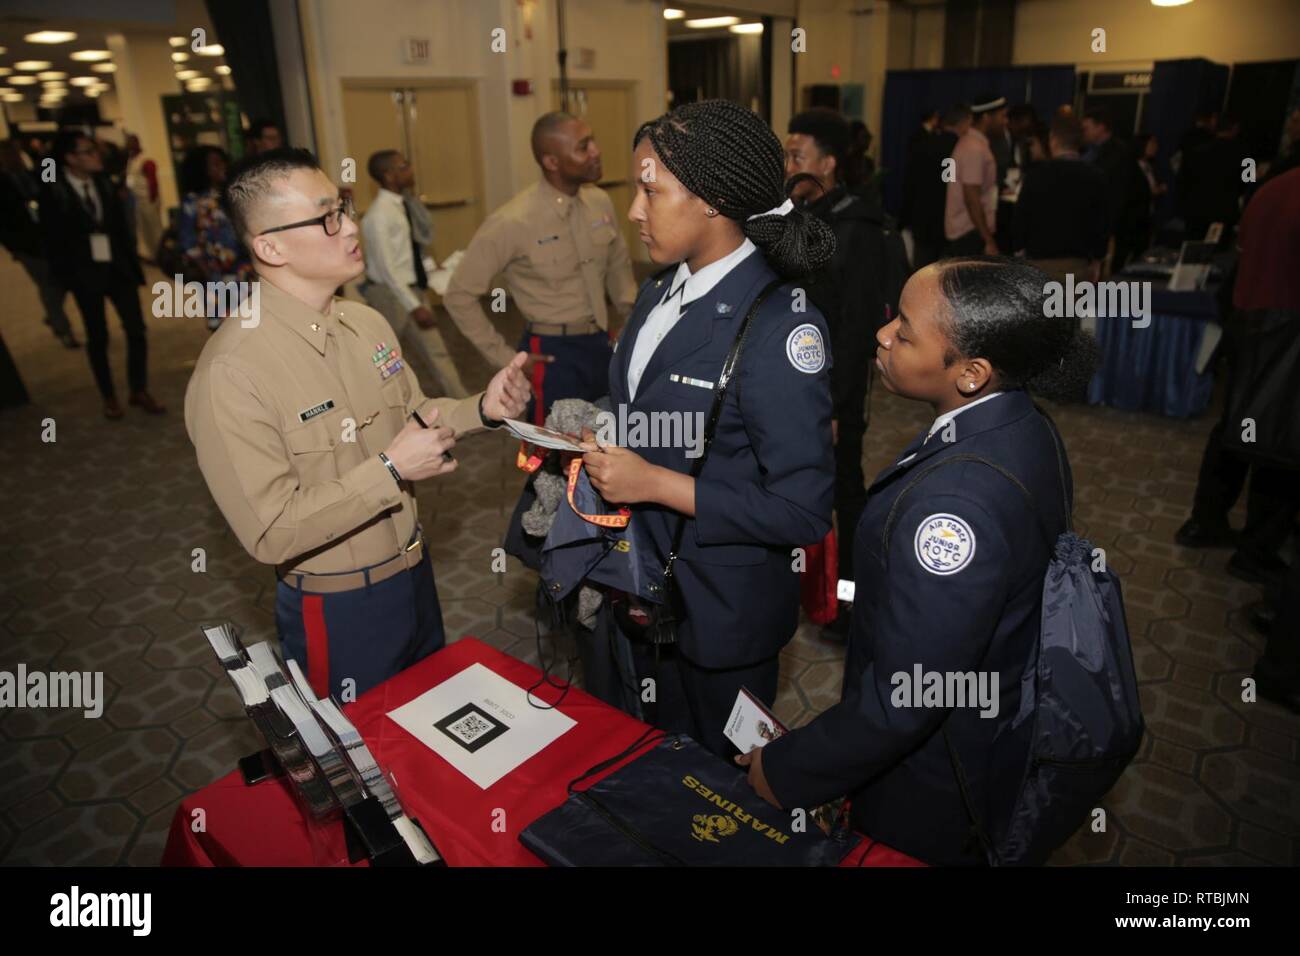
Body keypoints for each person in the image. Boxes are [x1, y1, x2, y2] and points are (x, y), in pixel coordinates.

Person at [738, 256, 1096, 866]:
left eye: (904, 332)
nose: (882, 335)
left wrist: (788, 769)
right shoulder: (1022, 420)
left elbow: (909, 697)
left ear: (972, 372)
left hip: (933, 774)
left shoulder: (955, 509)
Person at [185, 148, 532, 700]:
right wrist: (391, 470)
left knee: (428, 733)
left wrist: (483, 408)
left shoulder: (362, 321)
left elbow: (414, 412)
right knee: (362, 765)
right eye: (327, 217)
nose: (350, 226)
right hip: (339, 606)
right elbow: (270, 530)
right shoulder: (233, 371)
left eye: (343, 207)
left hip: (414, 576)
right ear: (270, 247)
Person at [575, 99, 836, 757]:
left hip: (720, 612)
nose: (634, 211)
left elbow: (803, 513)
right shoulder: (660, 289)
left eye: (650, 190)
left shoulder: (779, 327)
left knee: (719, 789)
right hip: (637, 582)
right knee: (631, 753)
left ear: (715, 200)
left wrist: (654, 483)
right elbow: (642, 407)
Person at [444, 112, 637, 423]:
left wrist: (633, 326)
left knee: (609, 437)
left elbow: (618, 267)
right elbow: (458, 295)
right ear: (551, 162)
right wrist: (507, 359)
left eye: (593, 141)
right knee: (553, 453)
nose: (596, 151)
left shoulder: (599, 202)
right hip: (550, 355)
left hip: (602, 343)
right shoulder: (513, 221)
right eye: (583, 146)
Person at [786, 107, 892, 640]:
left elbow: (855, 334)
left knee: (845, 493)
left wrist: (831, 406)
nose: (787, 164)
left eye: (797, 156)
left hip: (837, 393)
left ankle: (847, 598)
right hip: (797, 383)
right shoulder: (801, 215)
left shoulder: (856, 227)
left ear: (827, 163)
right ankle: (802, 586)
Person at [1175, 166, 1300, 590]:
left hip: (1249, 321)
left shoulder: (1270, 189)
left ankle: (1204, 520)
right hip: (1286, 331)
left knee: (1238, 429)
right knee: (1278, 444)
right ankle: (1257, 550)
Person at [39, 129, 163, 419]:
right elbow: (51, 240)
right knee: (98, 337)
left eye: (96, 150)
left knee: (136, 330)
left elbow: (121, 230)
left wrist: (134, 268)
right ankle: (109, 396)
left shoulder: (106, 184)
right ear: (70, 158)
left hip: (118, 269)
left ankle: (138, 389)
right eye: (88, 152)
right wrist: (67, 278)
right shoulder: (54, 190)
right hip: (85, 275)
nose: (97, 156)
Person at [359, 149, 469, 399]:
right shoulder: (379, 216)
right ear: (388, 176)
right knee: (384, 360)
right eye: (403, 166)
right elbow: (388, 269)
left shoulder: (405, 205)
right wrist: (414, 306)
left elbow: (409, 250)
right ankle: (375, 409)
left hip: (410, 290)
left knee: (437, 352)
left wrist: (431, 268)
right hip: (390, 295)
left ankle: (465, 406)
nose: (410, 170)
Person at [1012, 115, 1108, 285]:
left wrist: (1019, 252)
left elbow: (1021, 219)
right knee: (1072, 311)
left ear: (1053, 140)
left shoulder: (1035, 176)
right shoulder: (1096, 177)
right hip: (1077, 265)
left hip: (1038, 265)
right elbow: (1101, 223)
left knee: (1038, 311)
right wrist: (1098, 259)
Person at [0, 139, 78, 349]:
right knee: (49, 284)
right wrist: (14, 248)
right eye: (8, 155)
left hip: (50, 239)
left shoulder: (35, 174)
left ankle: (53, 315)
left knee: (62, 281)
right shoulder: (3, 184)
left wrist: (46, 156)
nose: (13, 159)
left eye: (15, 154)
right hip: (27, 246)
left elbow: (53, 187)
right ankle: (63, 329)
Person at [177, 145, 254, 331]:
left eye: (223, 163)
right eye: (214, 164)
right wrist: (205, 270)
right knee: (226, 331)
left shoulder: (233, 195)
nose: (222, 168)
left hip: (245, 271)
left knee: (253, 325)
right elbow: (188, 242)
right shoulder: (193, 202)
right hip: (215, 277)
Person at [905, 104, 969, 269]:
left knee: (922, 272)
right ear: (964, 123)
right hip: (949, 222)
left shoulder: (924, 144)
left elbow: (910, 182)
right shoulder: (960, 148)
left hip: (922, 218)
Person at [944, 94, 1004, 257]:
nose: (1004, 122)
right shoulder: (974, 148)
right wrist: (988, 240)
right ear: (986, 117)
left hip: (971, 230)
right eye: (1001, 116)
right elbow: (971, 196)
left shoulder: (972, 143)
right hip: (970, 232)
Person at [1179, 114, 1250, 245]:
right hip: (1224, 213)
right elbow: (1249, 183)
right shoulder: (1246, 155)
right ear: (1235, 128)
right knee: (1219, 257)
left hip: (1196, 212)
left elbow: (1183, 182)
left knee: (1191, 255)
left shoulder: (1195, 152)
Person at [1081, 107, 1134, 270]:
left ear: (1101, 127)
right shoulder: (1084, 150)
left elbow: (1117, 192)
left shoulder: (1118, 152)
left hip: (1106, 221)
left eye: (1087, 128)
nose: (1083, 133)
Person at [125, 133, 162, 263]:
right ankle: (152, 255)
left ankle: (161, 255)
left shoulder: (145, 160)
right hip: (138, 199)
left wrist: (152, 199)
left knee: (154, 229)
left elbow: (153, 181)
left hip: (148, 199)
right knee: (144, 230)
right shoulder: (130, 160)